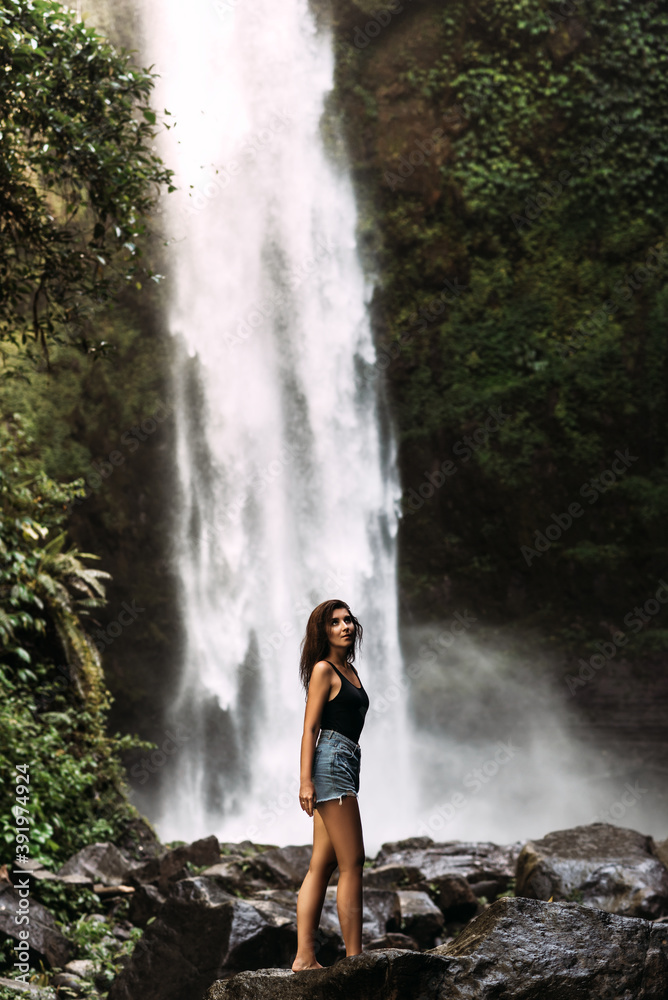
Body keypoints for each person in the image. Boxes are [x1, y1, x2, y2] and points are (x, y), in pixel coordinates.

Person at [291, 598, 370, 972]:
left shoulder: (349, 670)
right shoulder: (324, 669)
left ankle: (304, 957)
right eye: (335, 622)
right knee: (353, 860)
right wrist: (305, 781)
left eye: (348, 620)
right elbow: (310, 728)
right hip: (331, 761)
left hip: (347, 760)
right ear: (322, 631)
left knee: (322, 864)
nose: (345, 626)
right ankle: (354, 959)